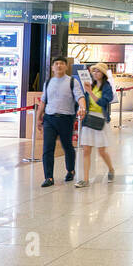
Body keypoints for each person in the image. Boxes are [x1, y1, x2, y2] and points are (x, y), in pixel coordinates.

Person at [36, 57, 84, 187]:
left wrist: (82, 107)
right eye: (56, 64)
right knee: (47, 148)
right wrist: (38, 118)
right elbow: (43, 101)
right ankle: (49, 177)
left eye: (62, 64)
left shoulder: (72, 82)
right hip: (49, 119)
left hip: (66, 119)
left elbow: (80, 97)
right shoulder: (48, 82)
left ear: (66, 67)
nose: (59, 66)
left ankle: (71, 170)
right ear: (52, 67)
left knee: (67, 146)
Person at [75, 62, 115, 188]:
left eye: (98, 71)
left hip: (100, 120)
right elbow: (85, 101)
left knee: (101, 151)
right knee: (86, 150)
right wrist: (82, 108)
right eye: (94, 71)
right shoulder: (90, 85)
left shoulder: (106, 87)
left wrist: (91, 92)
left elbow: (103, 102)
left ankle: (111, 169)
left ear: (103, 74)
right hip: (88, 119)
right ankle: (85, 179)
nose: (95, 73)